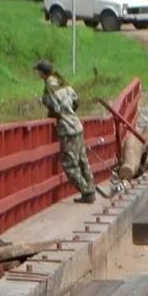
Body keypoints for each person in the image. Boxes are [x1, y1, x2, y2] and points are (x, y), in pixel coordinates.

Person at [36, 59, 101, 202]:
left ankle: (86, 191)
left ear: (42, 73)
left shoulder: (49, 88)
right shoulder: (62, 82)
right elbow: (76, 101)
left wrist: (44, 101)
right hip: (77, 125)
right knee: (83, 161)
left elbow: (55, 108)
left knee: (69, 165)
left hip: (66, 129)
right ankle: (91, 189)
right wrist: (71, 112)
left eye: (38, 71)